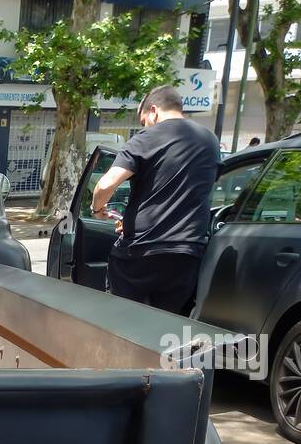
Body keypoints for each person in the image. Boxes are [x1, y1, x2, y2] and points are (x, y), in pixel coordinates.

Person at [90, 85, 221, 313]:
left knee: (121, 321)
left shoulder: (146, 138)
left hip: (141, 252)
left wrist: (96, 208)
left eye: (143, 121)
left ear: (153, 111)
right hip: (187, 253)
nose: (144, 126)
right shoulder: (210, 140)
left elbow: (105, 184)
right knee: (167, 325)